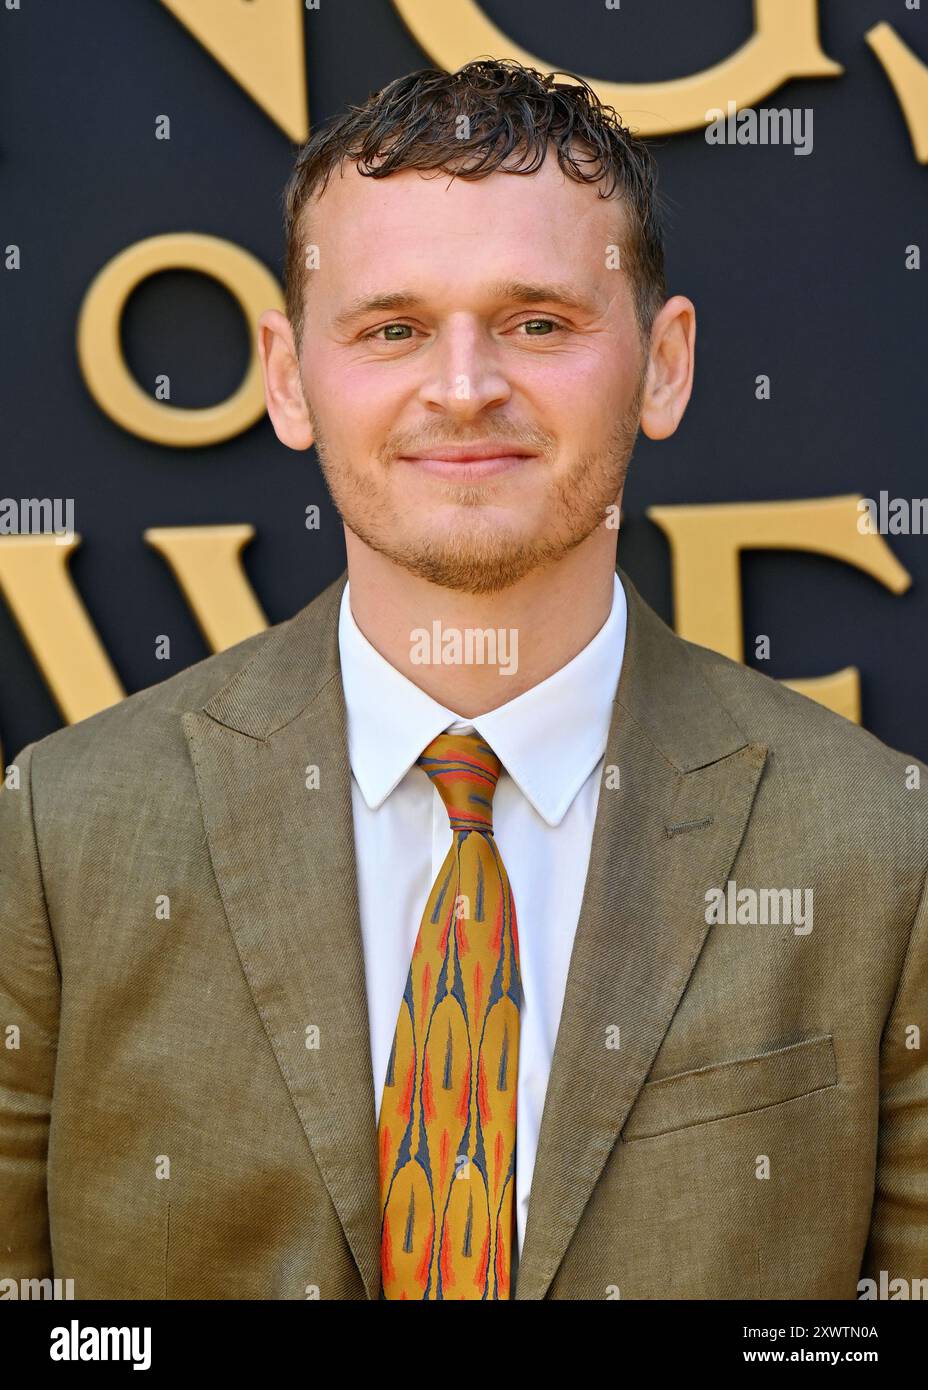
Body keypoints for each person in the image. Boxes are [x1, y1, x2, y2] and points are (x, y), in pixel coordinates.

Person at [1, 59, 925, 1301]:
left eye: (537, 322)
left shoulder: (880, 849)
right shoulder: (60, 834)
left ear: (663, 364)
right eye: (391, 329)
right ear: (287, 376)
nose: (462, 386)